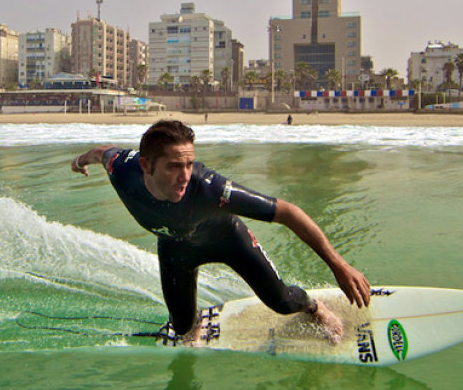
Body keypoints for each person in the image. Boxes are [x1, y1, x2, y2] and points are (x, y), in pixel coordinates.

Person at [70, 119, 370, 345]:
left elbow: (288, 212)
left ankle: (316, 308)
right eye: (174, 166)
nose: (185, 176)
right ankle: (194, 322)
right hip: (176, 250)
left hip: (226, 240)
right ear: (146, 165)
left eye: (189, 164)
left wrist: (339, 265)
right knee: (183, 327)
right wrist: (79, 161)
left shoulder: (210, 188)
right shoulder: (123, 170)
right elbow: (100, 152)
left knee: (281, 302)